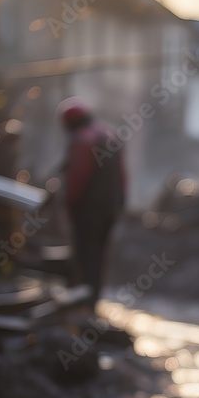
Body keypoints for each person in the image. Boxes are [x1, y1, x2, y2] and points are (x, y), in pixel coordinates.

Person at [58, 97, 126, 306]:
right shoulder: (110, 134)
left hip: (87, 211)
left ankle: (81, 301)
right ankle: (92, 300)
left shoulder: (83, 138)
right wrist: (120, 204)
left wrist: (70, 204)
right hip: (109, 210)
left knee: (84, 255)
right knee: (99, 256)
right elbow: (123, 175)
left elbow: (78, 177)